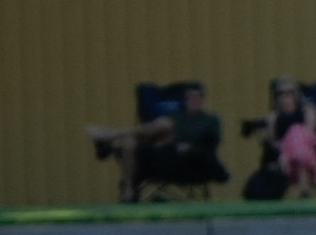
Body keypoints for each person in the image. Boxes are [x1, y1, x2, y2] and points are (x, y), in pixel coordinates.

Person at [85, 83, 226, 202]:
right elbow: (150, 135)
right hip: (160, 150)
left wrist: (190, 146)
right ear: (185, 99)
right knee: (129, 142)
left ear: (203, 99)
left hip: (187, 159)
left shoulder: (210, 120)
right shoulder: (176, 115)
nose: (194, 100)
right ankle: (128, 190)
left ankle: (109, 135)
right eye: (190, 97)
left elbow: (210, 143)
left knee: (165, 124)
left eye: (198, 97)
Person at [263, 77, 316, 197]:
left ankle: (303, 189)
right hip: (287, 152)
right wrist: (287, 146)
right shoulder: (273, 117)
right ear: (276, 97)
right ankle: (304, 192)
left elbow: (309, 133)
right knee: (296, 154)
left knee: (296, 131)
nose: (285, 97)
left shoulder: (308, 110)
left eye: (290, 93)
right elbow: (273, 141)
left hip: (306, 147)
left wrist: (292, 142)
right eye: (281, 94)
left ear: (296, 94)